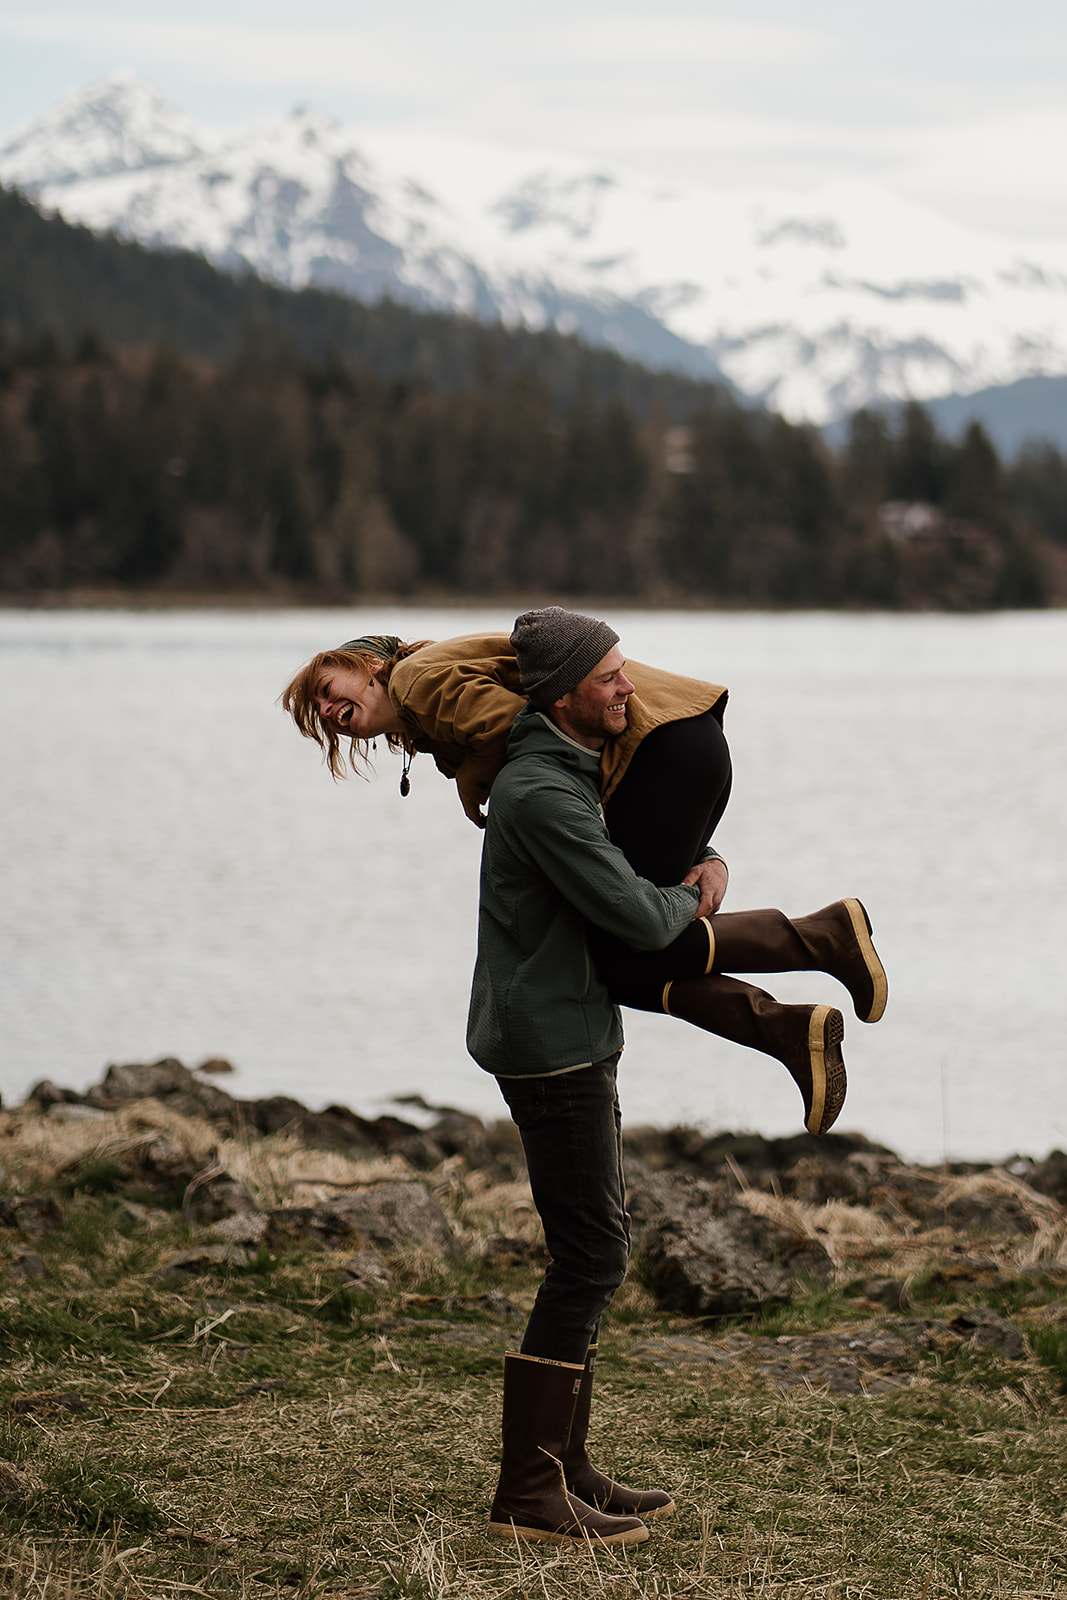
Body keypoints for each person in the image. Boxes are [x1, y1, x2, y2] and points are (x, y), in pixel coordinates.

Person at [281, 619, 887, 1138]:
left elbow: (531, 730)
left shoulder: (416, 679)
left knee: (623, 949)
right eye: (326, 719)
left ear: (366, 666)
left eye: (330, 692)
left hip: (659, 752)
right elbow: (566, 771)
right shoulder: (428, 695)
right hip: (680, 747)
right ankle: (793, 1014)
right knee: (615, 951)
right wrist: (698, 848)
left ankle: (815, 952)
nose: (335, 714)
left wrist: (471, 777)